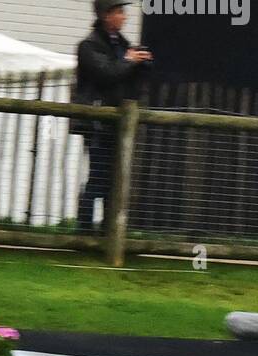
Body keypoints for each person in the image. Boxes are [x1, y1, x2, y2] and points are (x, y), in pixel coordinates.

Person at [74, 0, 152, 230]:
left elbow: (126, 77)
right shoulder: (88, 46)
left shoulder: (122, 45)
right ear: (106, 15)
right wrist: (129, 61)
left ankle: (108, 231)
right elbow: (106, 73)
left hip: (117, 120)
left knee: (114, 178)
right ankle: (84, 229)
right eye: (119, 12)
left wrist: (141, 64)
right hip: (98, 120)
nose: (124, 17)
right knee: (98, 177)